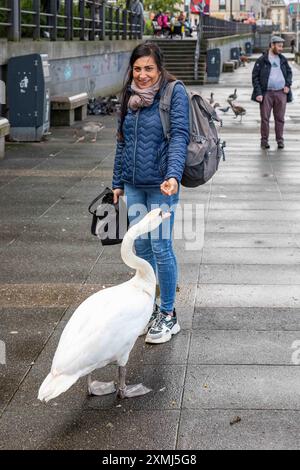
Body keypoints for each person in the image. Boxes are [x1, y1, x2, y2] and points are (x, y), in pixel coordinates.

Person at [112, 42, 190, 344]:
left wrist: (173, 175)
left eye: (149, 69)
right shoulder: (129, 95)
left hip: (161, 185)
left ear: (159, 69)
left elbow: (179, 137)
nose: (143, 75)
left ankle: (168, 314)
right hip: (133, 184)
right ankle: (149, 310)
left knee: (161, 248)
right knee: (140, 249)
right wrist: (117, 182)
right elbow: (121, 140)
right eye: (138, 68)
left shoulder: (173, 92)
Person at [252, 35, 292, 150]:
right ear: (272, 45)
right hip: (266, 94)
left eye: (282, 46)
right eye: (279, 46)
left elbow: (289, 73)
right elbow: (255, 77)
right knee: (265, 119)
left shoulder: (282, 59)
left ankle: (280, 140)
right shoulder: (262, 60)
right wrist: (258, 93)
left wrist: (287, 85)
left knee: (280, 118)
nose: (281, 48)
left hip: (281, 93)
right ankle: (264, 141)